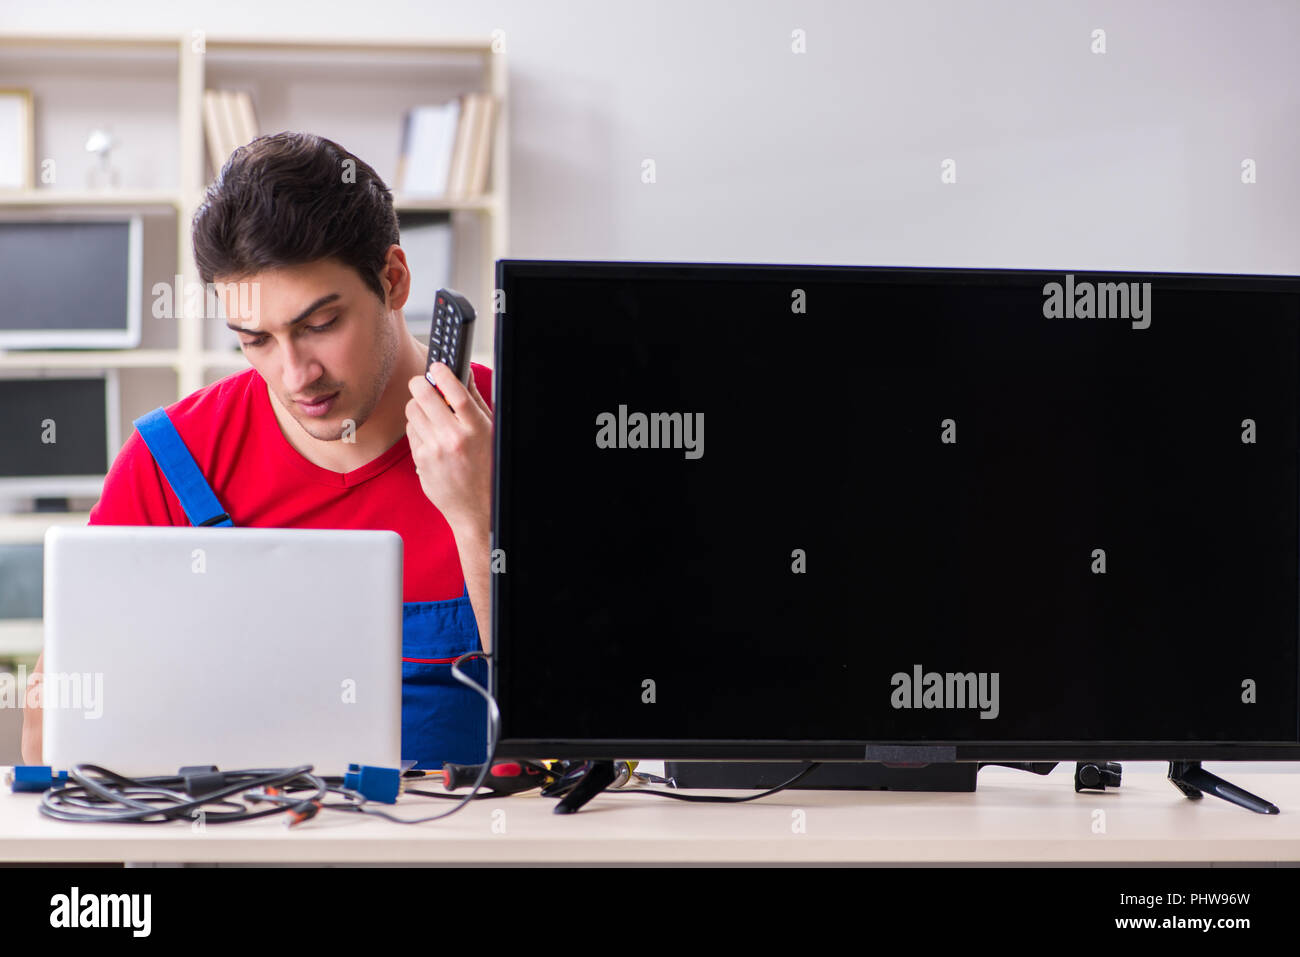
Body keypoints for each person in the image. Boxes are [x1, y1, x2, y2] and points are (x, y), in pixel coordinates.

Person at [20, 132, 494, 770]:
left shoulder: (514, 432)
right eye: (255, 339)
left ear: (394, 279)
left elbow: (582, 731)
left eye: (319, 325)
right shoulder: (173, 461)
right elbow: (60, 713)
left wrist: (478, 519)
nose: (296, 375)